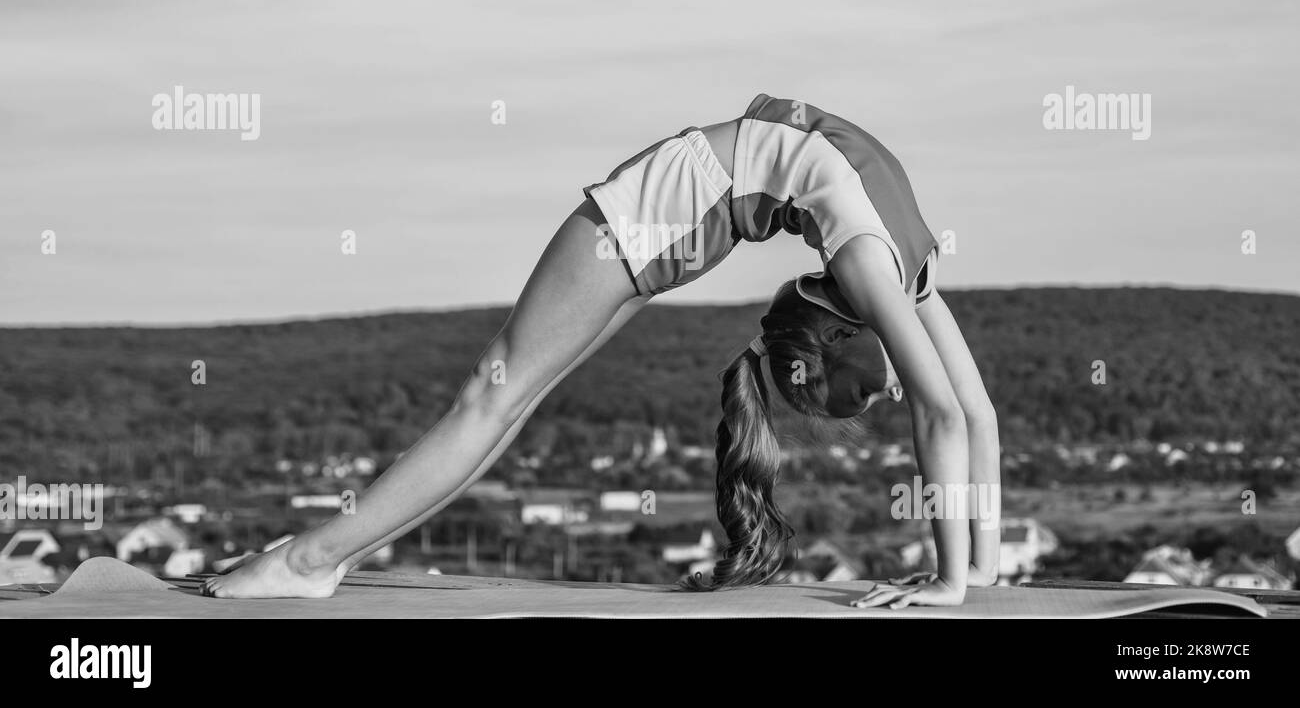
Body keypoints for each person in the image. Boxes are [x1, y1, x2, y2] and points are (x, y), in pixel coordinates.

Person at [203, 93, 1000, 608]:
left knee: (505, 395)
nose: (902, 366)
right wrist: (952, 580)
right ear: (845, 324)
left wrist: (981, 572)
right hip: (661, 213)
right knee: (498, 393)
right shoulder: (872, 261)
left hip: (675, 212)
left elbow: (974, 412)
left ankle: (321, 558)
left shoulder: (900, 267)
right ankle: (315, 559)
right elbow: (945, 413)